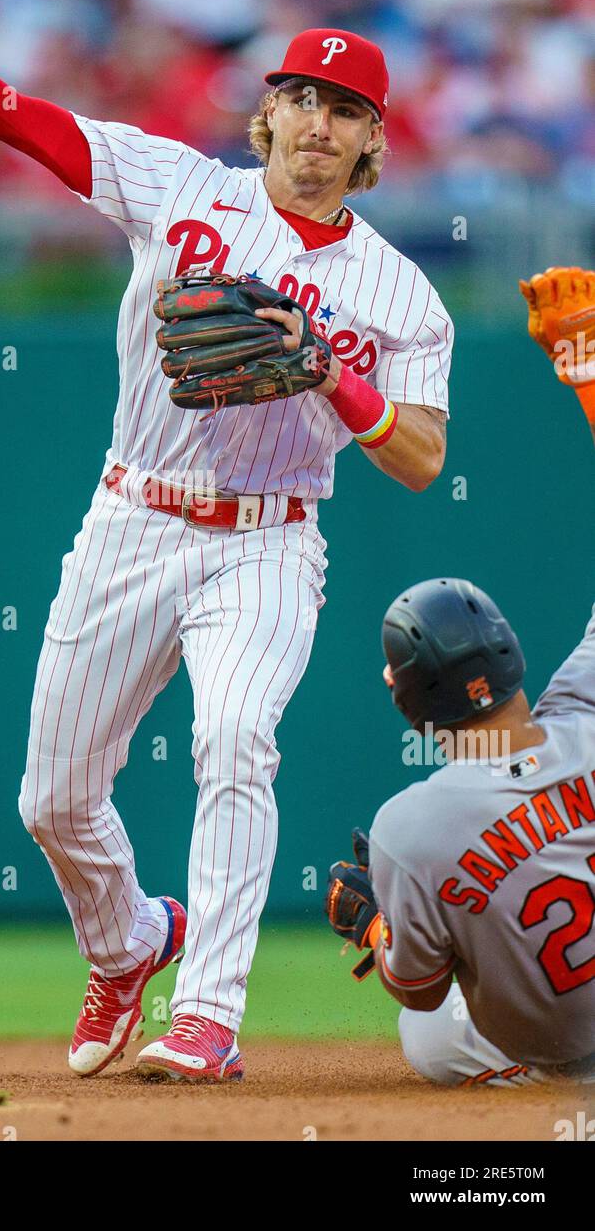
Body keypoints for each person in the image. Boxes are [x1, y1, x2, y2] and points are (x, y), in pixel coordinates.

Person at [0, 0, 452, 1083]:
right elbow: (12, 114)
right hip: (128, 519)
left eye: (344, 106)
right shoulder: (175, 184)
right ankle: (130, 941)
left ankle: (207, 1014)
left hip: (267, 540)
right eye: (298, 95)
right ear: (265, 113)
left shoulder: (399, 293)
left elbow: (419, 455)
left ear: (371, 142)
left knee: (235, 740)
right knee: (52, 800)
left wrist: (332, 370)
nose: (317, 118)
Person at [325, 266, 595, 1086]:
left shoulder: (413, 827)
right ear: (511, 652)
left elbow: (418, 985)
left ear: (408, 706)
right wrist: (585, 366)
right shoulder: (583, 709)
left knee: (432, 1036)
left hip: (570, 1063)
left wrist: (379, 929)